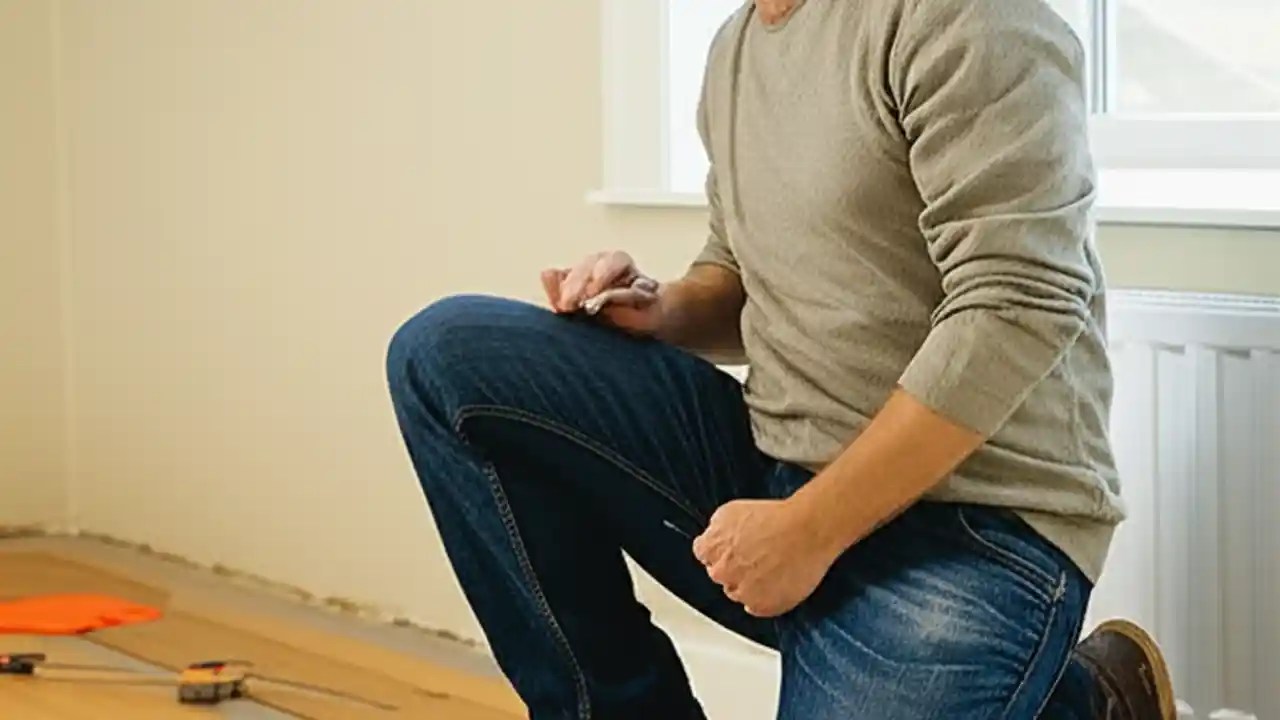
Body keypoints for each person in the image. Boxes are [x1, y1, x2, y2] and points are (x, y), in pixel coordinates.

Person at [386, 0, 1178, 716]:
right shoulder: (736, 48)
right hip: (776, 474)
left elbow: (1018, 306)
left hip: (973, 526)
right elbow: (739, 273)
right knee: (450, 354)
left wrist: (808, 532)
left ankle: (1084, 703)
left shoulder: (964, 18)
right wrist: (659, 311)